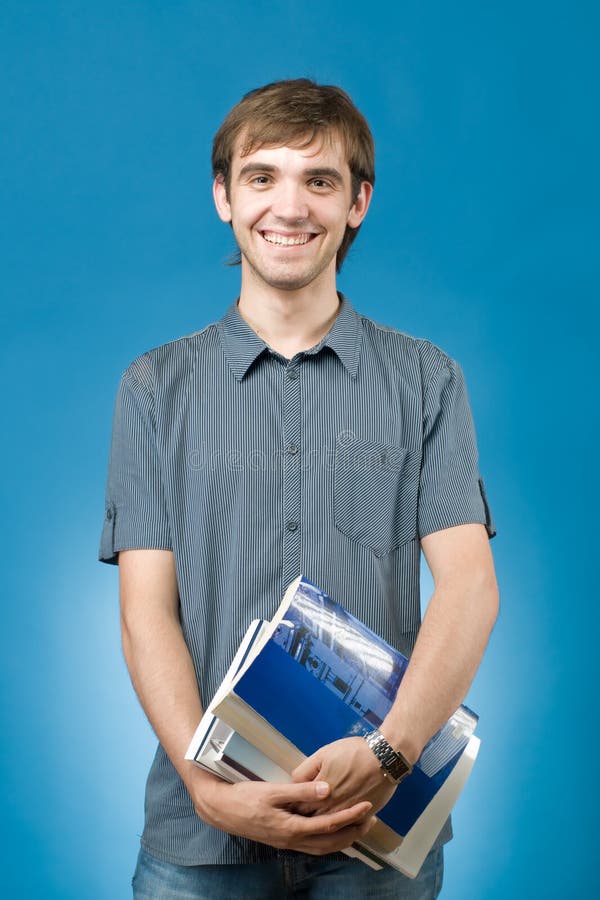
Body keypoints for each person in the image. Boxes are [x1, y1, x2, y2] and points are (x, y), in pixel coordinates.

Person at [99, 78, 498, 899]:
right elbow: (146, 611)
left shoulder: (427, 382)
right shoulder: (152, 388)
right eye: (262, 176)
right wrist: (207, 787)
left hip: (379, 831)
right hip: (197, 838)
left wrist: (389, 755)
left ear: (357, 203)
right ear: (223, 197)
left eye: (319, 180)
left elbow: (468, 587)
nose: (290, 206)